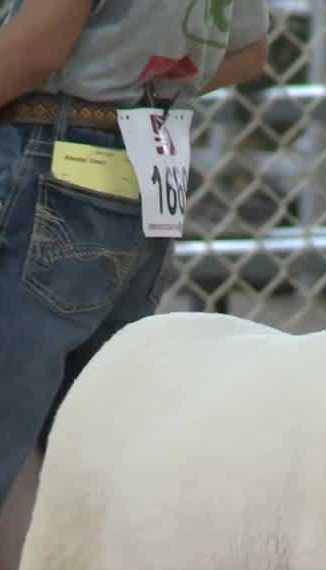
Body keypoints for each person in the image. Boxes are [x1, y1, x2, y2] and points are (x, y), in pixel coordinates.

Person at [0, 0, 269, 563]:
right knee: (94, 447)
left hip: (44, 143)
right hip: (140, 154)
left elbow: (39, 44)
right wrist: (130, 75)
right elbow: (248, 50)